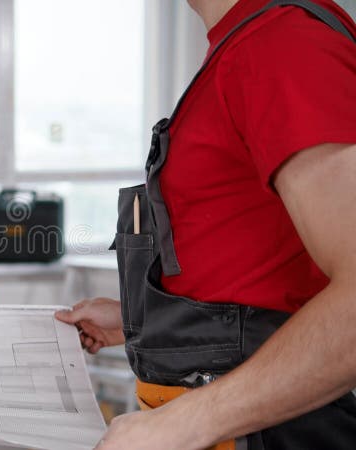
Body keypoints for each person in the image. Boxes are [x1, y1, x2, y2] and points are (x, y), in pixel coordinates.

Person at [56, 0, 356, 449]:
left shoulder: (284, 45)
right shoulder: (243, 45)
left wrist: (182, 424)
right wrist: (141, 322)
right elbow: (256, 271)